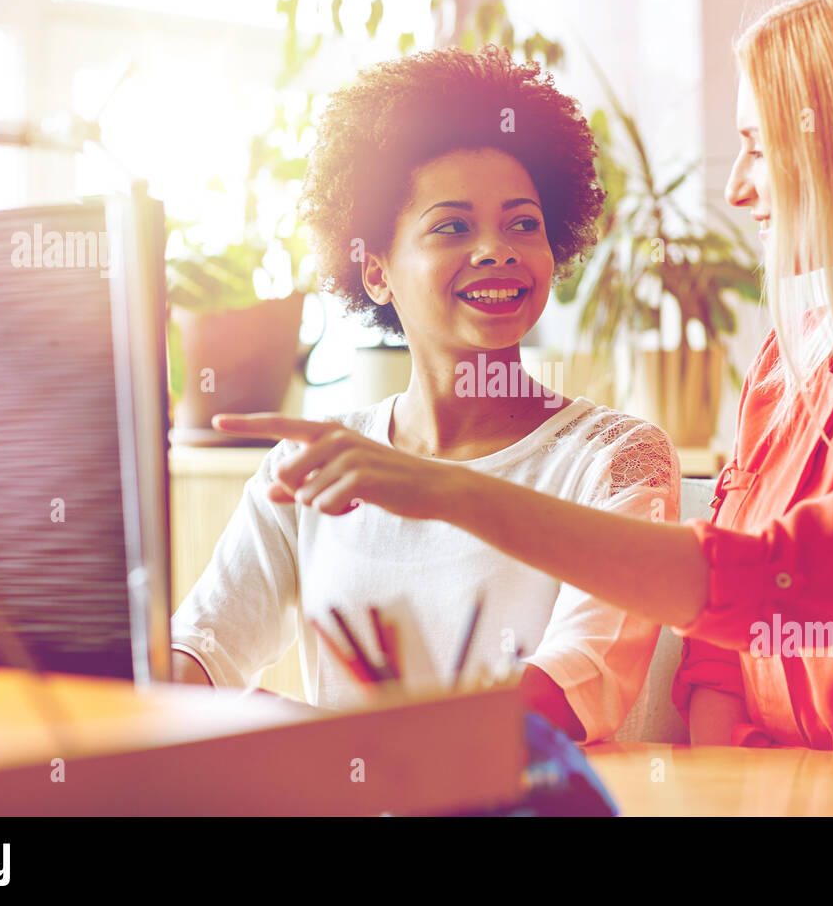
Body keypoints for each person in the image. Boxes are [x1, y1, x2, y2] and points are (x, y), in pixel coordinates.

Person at [230, 0, 833, 762]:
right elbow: (720, 654)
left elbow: (780, 584)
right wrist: (737, 779)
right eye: (449, 227)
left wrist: (446, 490)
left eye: (757, 147)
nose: (743, 190)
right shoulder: (787, 375)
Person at [171, 46, 678, 744]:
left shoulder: (616, 461)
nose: (497, 249)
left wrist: (308, 731)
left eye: (523, 223)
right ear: (376, 273)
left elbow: (573, 689)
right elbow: (202, 649)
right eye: (453, 227)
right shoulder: (315, 462)